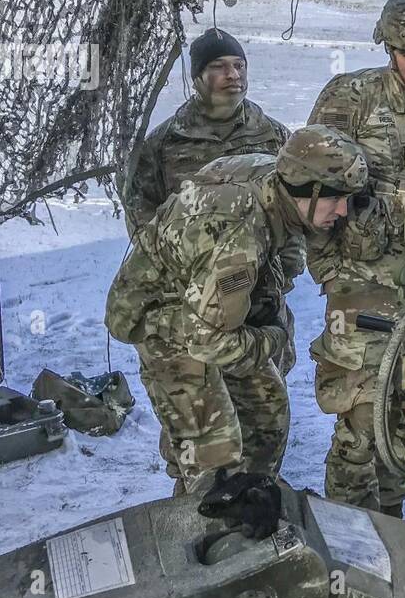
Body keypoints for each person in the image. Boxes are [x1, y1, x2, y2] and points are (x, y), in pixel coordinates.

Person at [105, 126, 368, 494]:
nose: (342, 211)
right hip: (162, 317)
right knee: (215, 456)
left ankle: (254, 498)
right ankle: (211, 515)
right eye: (335, 198)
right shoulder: (238, 241)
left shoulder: (273, 177)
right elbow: (208, 342)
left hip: (205, 301)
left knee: (266, 414)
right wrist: (271, 340)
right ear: (304, 190)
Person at [306, 0, 405, 516]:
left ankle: (391, 524)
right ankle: (347, 532)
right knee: (360, 413)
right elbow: (307, 182)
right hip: (361, 282)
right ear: (387, 48)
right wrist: (327, 268)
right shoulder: (350, 97)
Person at [119, 28, 303, 372]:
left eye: (239, 65)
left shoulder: (274, 136)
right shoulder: (165, 143)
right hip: (189, 301)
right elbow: (142, 216)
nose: (233, 75)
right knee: (201, 414)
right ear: (197, 79)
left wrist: (286, 269)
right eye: (219, 66)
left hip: (259, 296)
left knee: (267, 404)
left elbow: (297, 207)